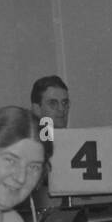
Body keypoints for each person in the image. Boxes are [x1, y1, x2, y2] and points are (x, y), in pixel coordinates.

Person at [28, 75, 69, 213]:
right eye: (53, 103)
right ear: (36, 109)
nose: (62, 109)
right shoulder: (26, 145)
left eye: (65, 103)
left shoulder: (74, 143)